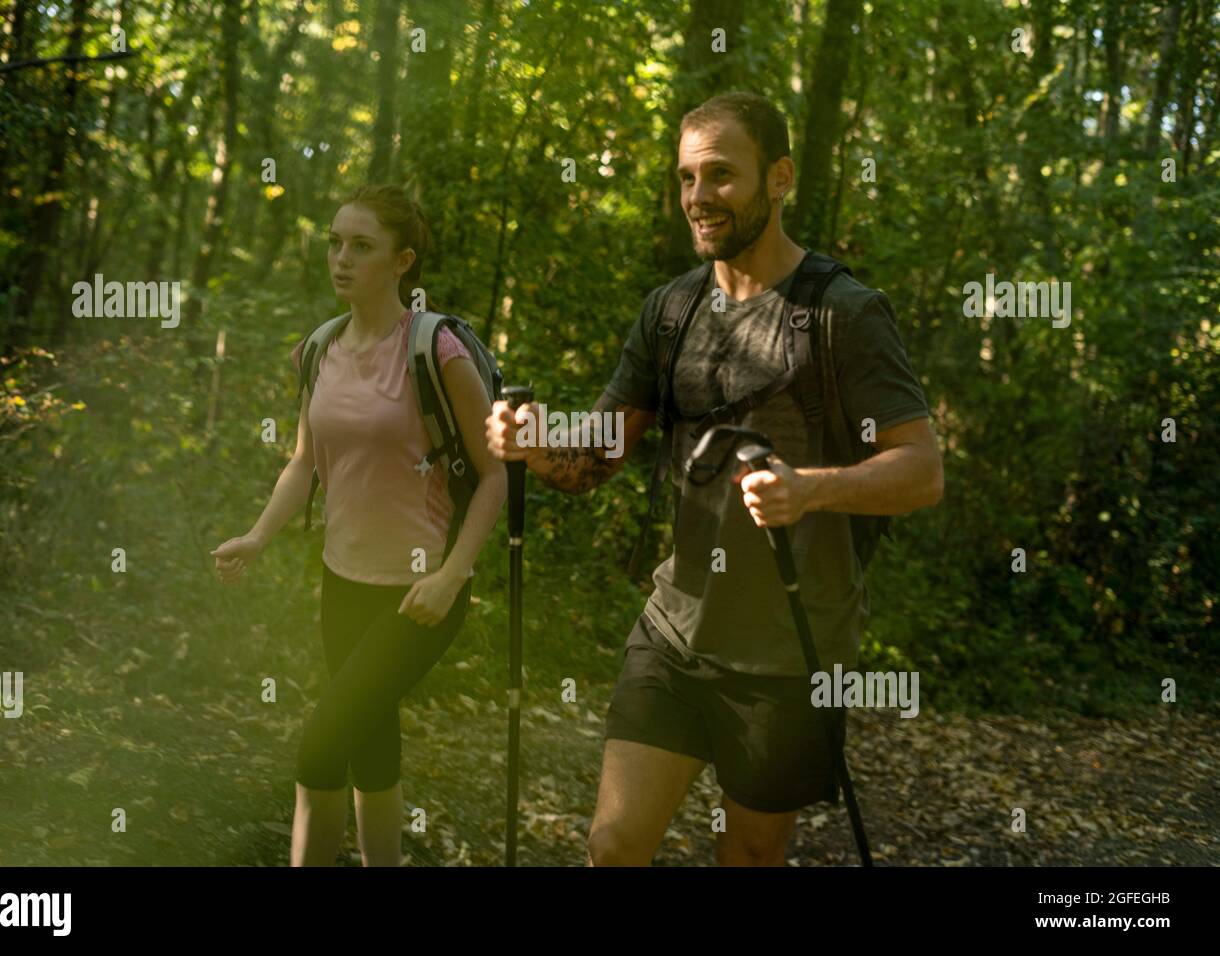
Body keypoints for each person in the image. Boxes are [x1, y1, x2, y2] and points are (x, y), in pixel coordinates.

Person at [486, 92, 943, 866]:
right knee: (613, 844)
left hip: (793, 651)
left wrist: (809, 489)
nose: (699, 197)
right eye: (687, 178)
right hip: (674, 632)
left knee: (750, 857)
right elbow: (598, 453)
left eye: (722, 175)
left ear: (780, 178)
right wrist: (535, 442)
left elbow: (922, 470)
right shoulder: (670, 311)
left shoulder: (842, 312)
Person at [212, 184, 505, 866]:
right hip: (342, 579)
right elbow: (303, 463)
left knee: (320, 746)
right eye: (335, 243)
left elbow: (495, 474)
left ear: (402, 261)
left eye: (362, 247)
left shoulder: (438, 354)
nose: (342, 259)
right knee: (371, 741)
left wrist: (452, 575)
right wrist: (258, 536)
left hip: (421, 593)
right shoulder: (318, 350)